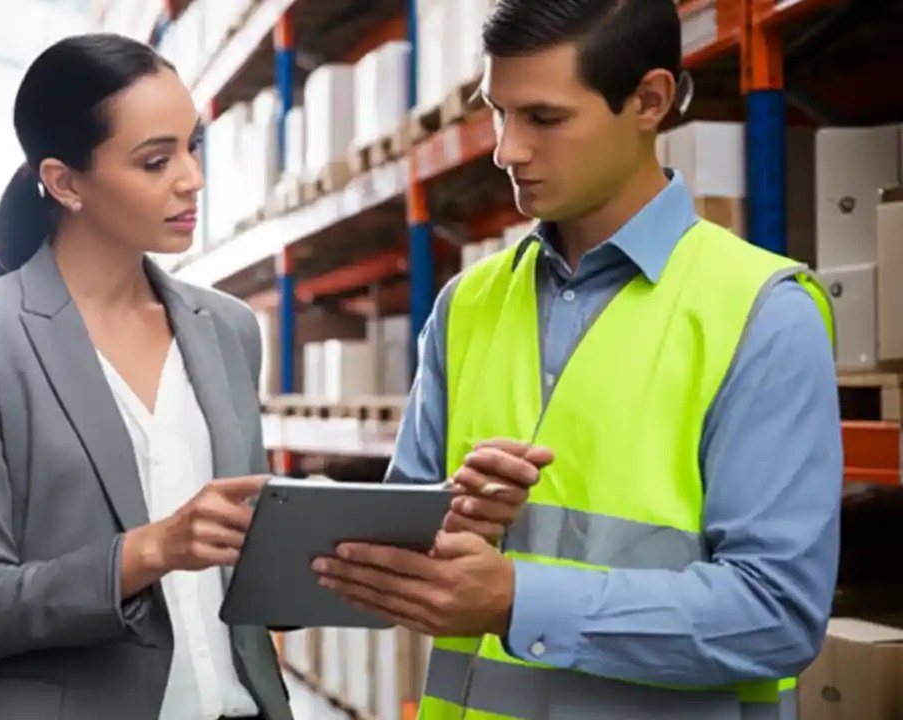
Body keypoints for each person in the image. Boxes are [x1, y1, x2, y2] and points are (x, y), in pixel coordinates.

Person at [312, 1, 843, 718]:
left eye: (544, 118)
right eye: (498, 112)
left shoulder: (764, 313)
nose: (506, 149)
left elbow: (775, 613)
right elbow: (407, 552)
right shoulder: (465, 307)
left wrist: (515, 599)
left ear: (649, 100)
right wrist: (453, 521)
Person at [0, 33, 292, 720]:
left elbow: (250, 576)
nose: (192, 178)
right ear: (64, 182)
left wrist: (357, 543)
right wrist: (149, 551)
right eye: (155, 160)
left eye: (192, 145)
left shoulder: (228, 329)